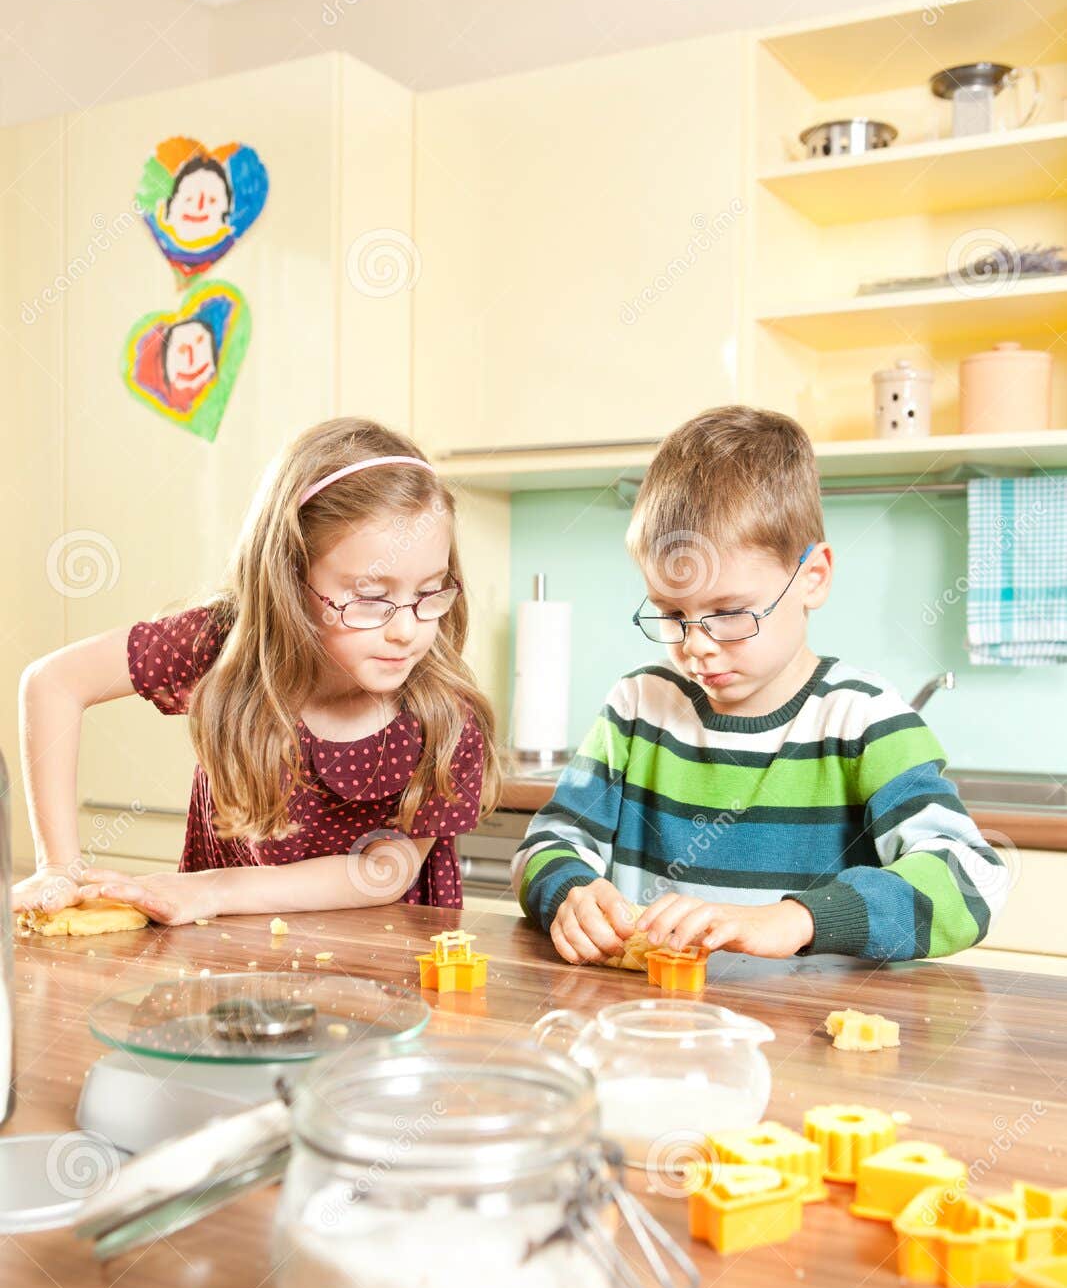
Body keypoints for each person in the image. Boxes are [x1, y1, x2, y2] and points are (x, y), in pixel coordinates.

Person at [513, 405, 1004, 965]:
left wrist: (797, 919)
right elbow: (546, 844)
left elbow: (971, 878)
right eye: (671, 614)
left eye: (729, 613)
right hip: (657, 1012)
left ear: (813, 577)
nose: (696, 644)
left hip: (813, 1019)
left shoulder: (864, 719)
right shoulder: (637, 707)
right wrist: (570, 893)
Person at [16, 418, 499, 924]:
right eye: (371, 597)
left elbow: (385, 872)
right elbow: (54, 682)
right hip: (230, 952)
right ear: (289, 577)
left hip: (379, 957)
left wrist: (214, 890)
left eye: (429, 592)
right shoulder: (222, 645)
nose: (406, 630)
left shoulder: (445, 717)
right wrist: (58, 867)